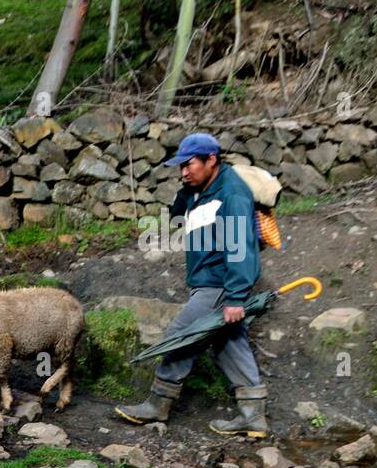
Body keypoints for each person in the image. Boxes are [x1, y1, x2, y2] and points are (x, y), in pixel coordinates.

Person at [115, 132, 268, 437]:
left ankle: (158, 404)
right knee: (227, 342)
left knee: (181, 334)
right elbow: (179, 216)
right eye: (180, 166)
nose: (183, 172)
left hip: (219, 284)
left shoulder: (232, 193)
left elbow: (240, 248)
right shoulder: (198, 189)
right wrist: (184, 196)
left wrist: (236, 297)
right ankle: (253, 416)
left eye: (190, 165)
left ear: (211, 160)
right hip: (208, 283)